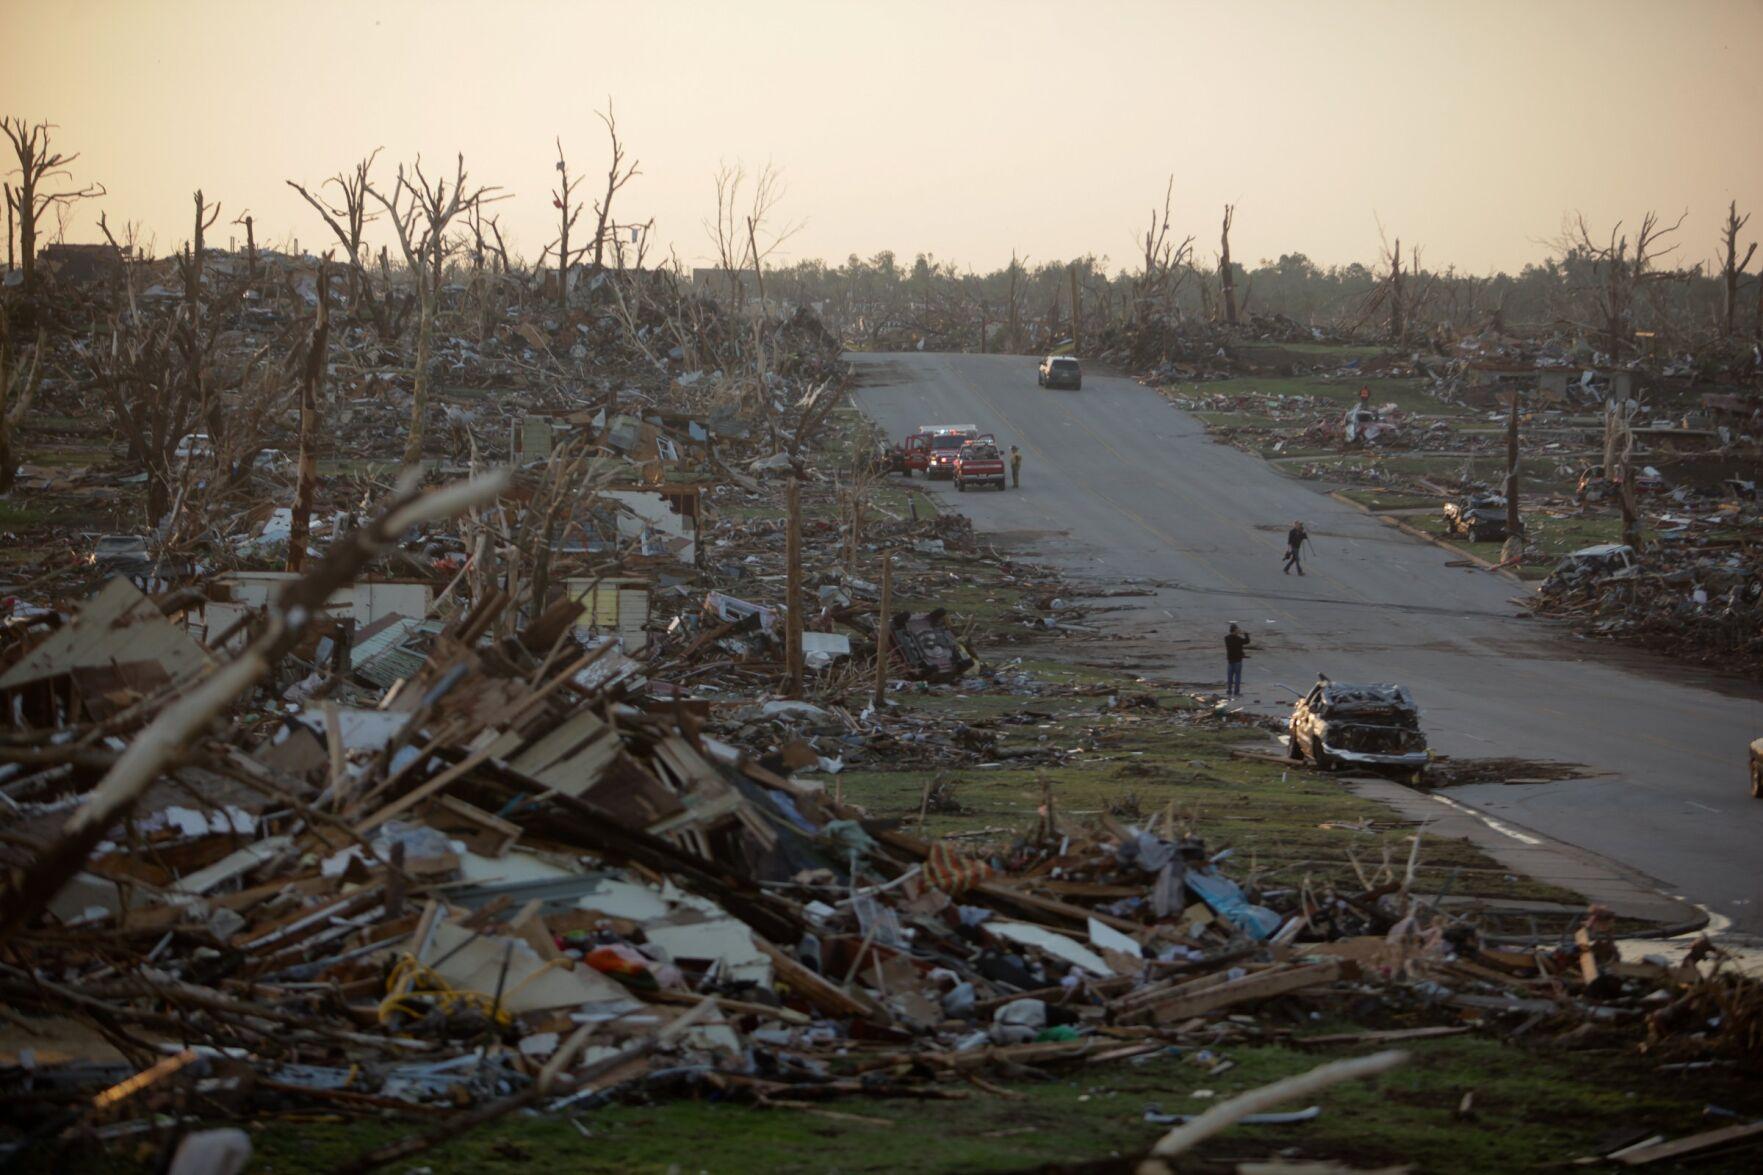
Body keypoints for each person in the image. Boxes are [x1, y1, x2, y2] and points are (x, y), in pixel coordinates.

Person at [1224, 623, 1251, 698]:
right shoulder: (1238, 639)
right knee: (1237, 677)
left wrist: (1238, 633)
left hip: (1230, 660)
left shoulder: (1226, 638)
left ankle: (1229, 690)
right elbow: (1247, 641)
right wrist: (1245, 633)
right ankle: (1236, 691)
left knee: (1230, 676)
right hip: (1238, 660)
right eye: (1237, 630)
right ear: (1235, 630)